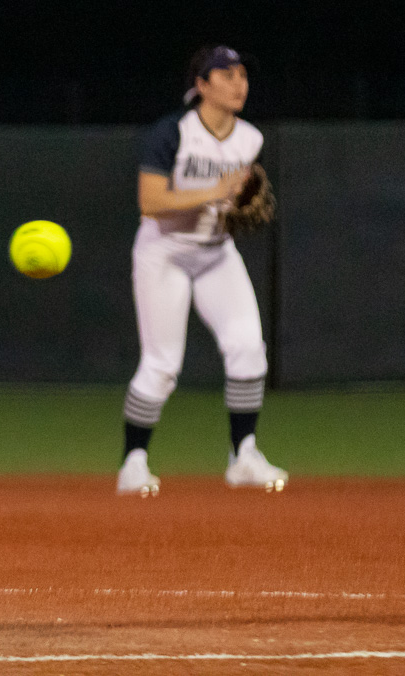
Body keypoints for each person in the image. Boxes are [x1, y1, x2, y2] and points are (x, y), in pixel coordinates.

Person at [116, 45, 288, 497]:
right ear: (202, 85)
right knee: (161, 365)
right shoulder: (172, 132)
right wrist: (216, 190)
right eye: (226, 75)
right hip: (165, 252)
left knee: (249, 348)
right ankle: (133, 463)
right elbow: (150, 203)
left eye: (242, 75)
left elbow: (237, 200)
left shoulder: (250, 140)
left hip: (215, 252)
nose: (238, 83)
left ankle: (244, 455)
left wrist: (238, 201)